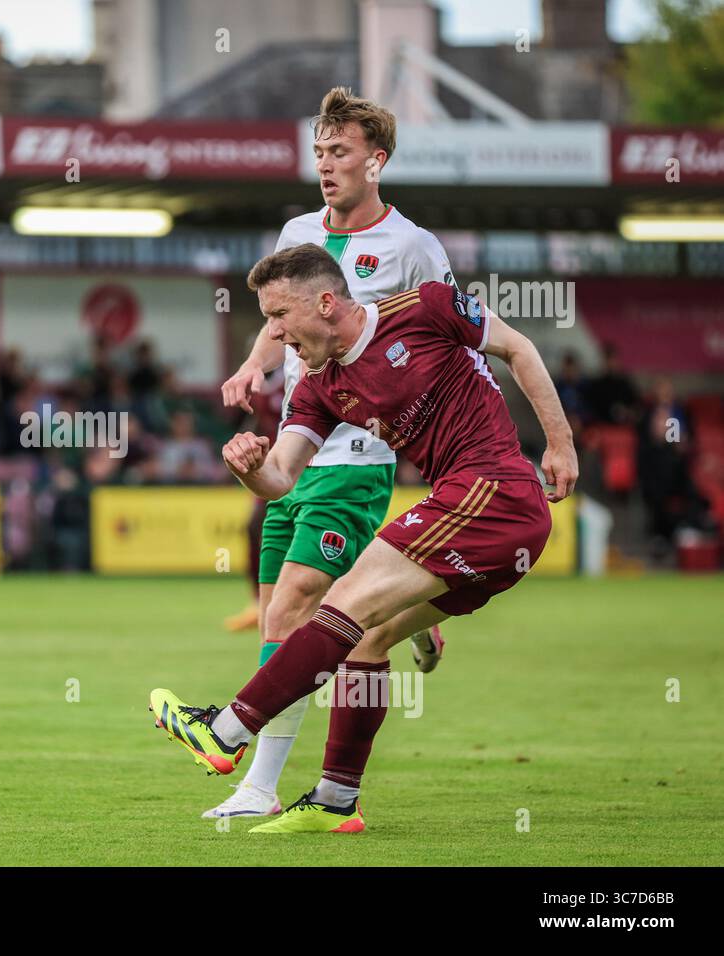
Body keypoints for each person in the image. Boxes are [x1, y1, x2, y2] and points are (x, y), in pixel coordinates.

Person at [150, 243, 578, 833]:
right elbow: (280, 478)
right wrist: (247, 466)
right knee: (366, 640)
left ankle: (225, 731)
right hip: (470, 510)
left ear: (326, 303)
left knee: (340, 606)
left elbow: (518, 347)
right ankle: (335, 799)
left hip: (495, 494)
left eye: (279, 317)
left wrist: (559, 444)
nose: (272, 335)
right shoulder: (318, 387)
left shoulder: (425, 308)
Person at [209, 87, 457, 820]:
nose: (326, 165)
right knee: (275, 620)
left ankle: (256, 786)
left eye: (340, 152)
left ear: (375, 161)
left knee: (290, 603)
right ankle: (411, 600)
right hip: (298, 445)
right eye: (319, 152)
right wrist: (256, 362)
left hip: (357, 452)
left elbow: (451, 344)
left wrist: (428, 434)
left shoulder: (413, 247)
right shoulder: (296, 230)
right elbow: (280, 311)